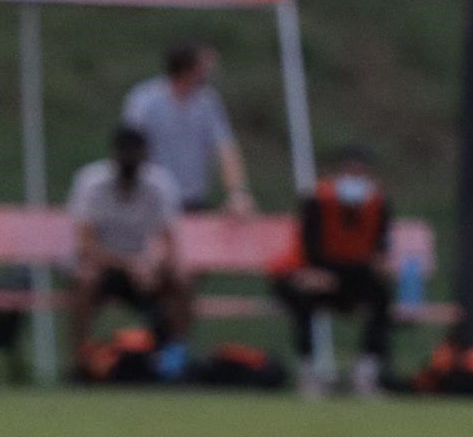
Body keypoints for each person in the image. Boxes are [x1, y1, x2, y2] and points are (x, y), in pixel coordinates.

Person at [269, 145, 396, 398]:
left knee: (381, 296)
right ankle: (308, 374)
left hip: (348, 276)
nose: (354, 178)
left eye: (360, 173)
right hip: (308, 271)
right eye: (350, 171)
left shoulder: (377, 203)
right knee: (303, 297)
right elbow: (306, 245)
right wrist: (312, 272)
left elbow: (379, 247)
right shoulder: (318, 200)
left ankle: (365, 375)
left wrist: (381, 267)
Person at [65, 126, 190, 362]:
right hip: (105, 268)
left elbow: (168, 242)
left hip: (143, 270)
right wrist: (130, 265)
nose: (131, 160)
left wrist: (152, 264)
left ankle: (175, 358)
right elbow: (86, 246)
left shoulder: (159, 185)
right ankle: (81, 359)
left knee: (181, 277)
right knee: (85, 278)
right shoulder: (91, 183)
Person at [121, 41, 255, 215]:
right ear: (188, 69)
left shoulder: (207, 102)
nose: (210, 71)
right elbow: (130, 147)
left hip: (193, 200)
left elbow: (225, 149)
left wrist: (237, 193)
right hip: (152, 201)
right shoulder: (144, 100)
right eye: (205, 66)